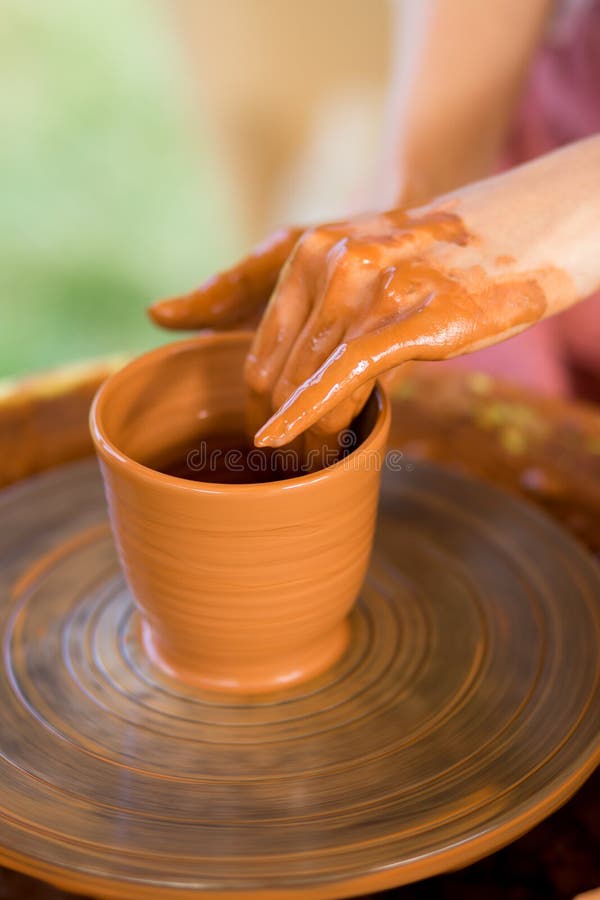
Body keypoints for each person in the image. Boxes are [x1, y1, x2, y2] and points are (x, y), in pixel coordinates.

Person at [149, 0, 600, 448]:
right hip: (522, 179)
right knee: (371, 343)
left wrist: (553, 220)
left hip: (547, 223)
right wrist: (408, 216)